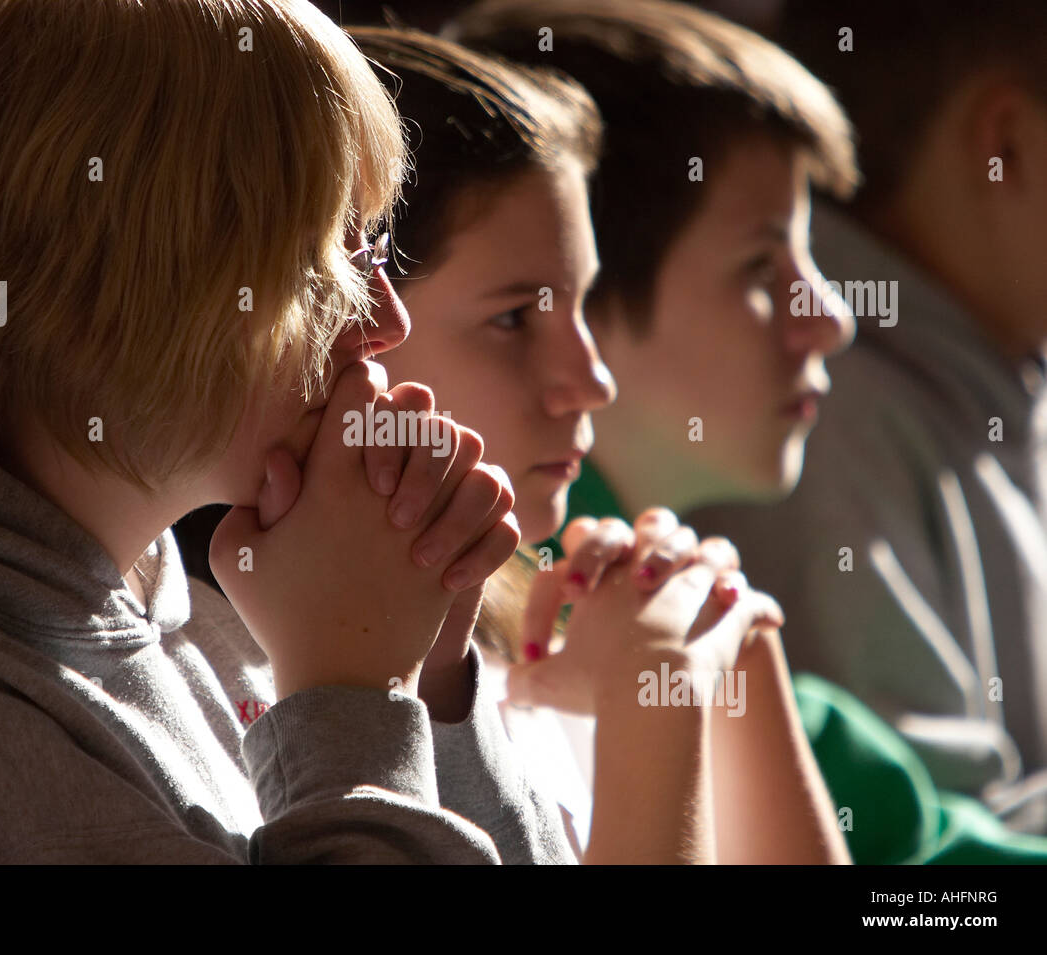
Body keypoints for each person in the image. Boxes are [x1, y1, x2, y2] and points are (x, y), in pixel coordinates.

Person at [0, 0, 548, 864]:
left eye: (376, 245)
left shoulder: (201, 616)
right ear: (104, 287)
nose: (386, 323)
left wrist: (425, 682)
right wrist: (353, 692)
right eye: (325, 259)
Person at [451, 0, 1047, 861]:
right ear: (580, 283)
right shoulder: (505, 665)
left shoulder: (753, 664)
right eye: (761, 267)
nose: (833, 317)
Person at [347, 25, 848, 863]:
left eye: (580, 306)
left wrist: (736, 652)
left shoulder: (543, 645)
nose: (593, 381)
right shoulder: (288, 698)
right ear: (352, 329)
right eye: (513, 319)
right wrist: (663, 699)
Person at [690, 0, 1047, 834]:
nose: (820, 319)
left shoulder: (1000, 377)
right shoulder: (807, 421)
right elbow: (906, 865)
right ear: (1007, 144)